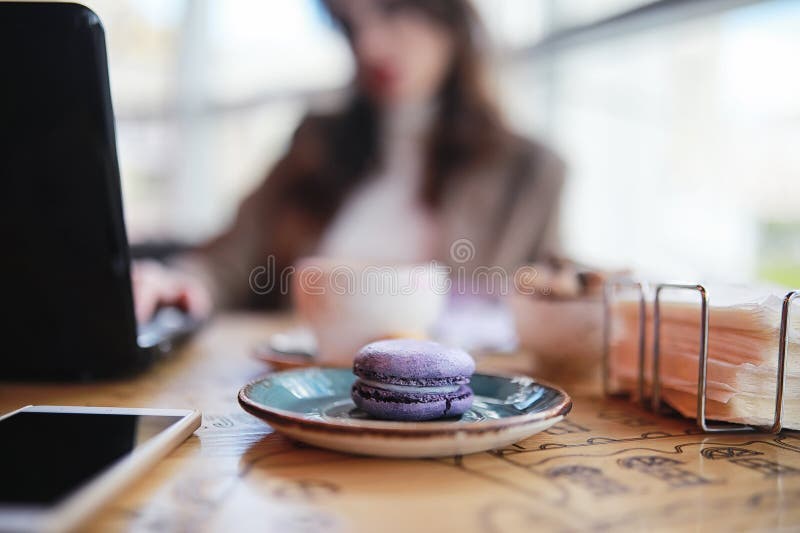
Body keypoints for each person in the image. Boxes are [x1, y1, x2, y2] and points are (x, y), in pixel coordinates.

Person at [133, 0, 566, 323]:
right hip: (304, 396)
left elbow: (555, 296)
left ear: (448, 16)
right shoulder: (316, 142)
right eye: (350, 26)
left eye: (391, 11)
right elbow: (225, 261)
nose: (369, 44)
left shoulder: (529, 172)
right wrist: (177, 283)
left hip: (449, 410)